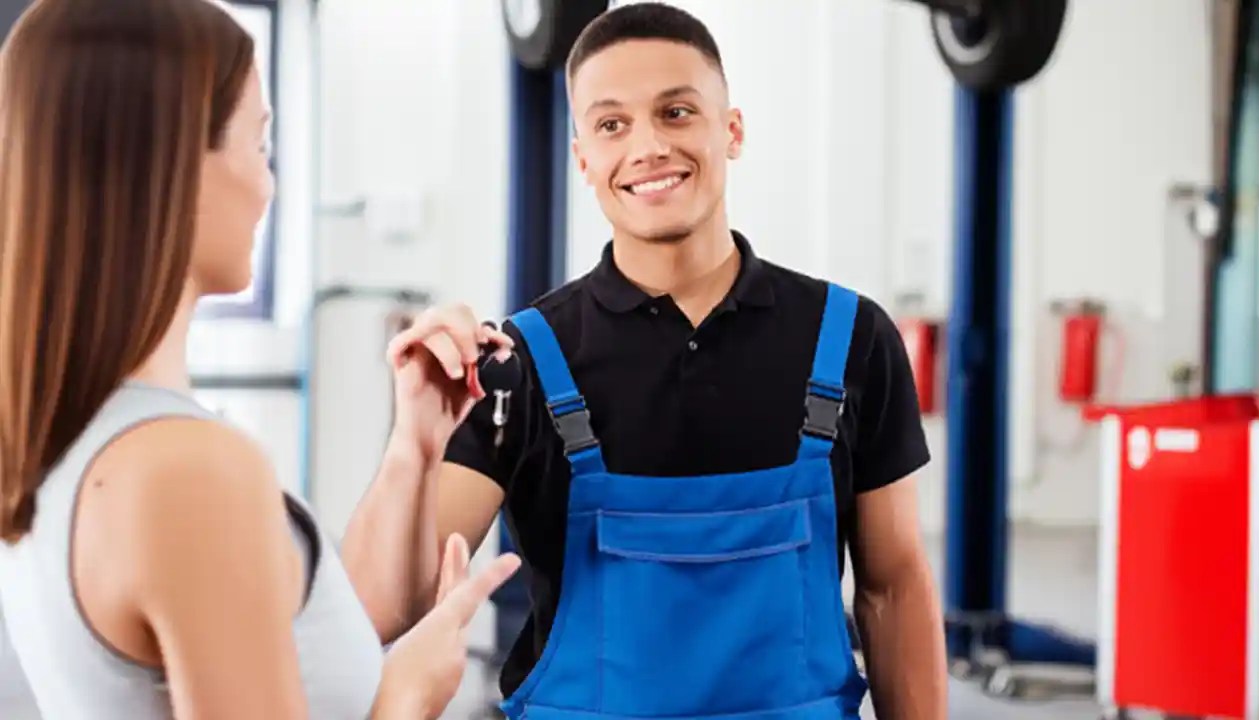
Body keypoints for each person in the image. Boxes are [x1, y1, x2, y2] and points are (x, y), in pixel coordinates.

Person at [344, 2, 948, 718]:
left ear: (732, 131)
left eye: (677, 112)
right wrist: (410, 447)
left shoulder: (851, 340)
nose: (648, 146)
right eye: (611, 124)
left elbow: (894, 585)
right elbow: (380, 613)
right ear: (584, 160)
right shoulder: (520, 363)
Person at [0, 1, 520, 718]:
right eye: (258, 144)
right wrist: (405, 697)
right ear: (177, 164)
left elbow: (294, 638)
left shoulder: (57, 440)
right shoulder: (187, 471)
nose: (267, 184)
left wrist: (414, 449)